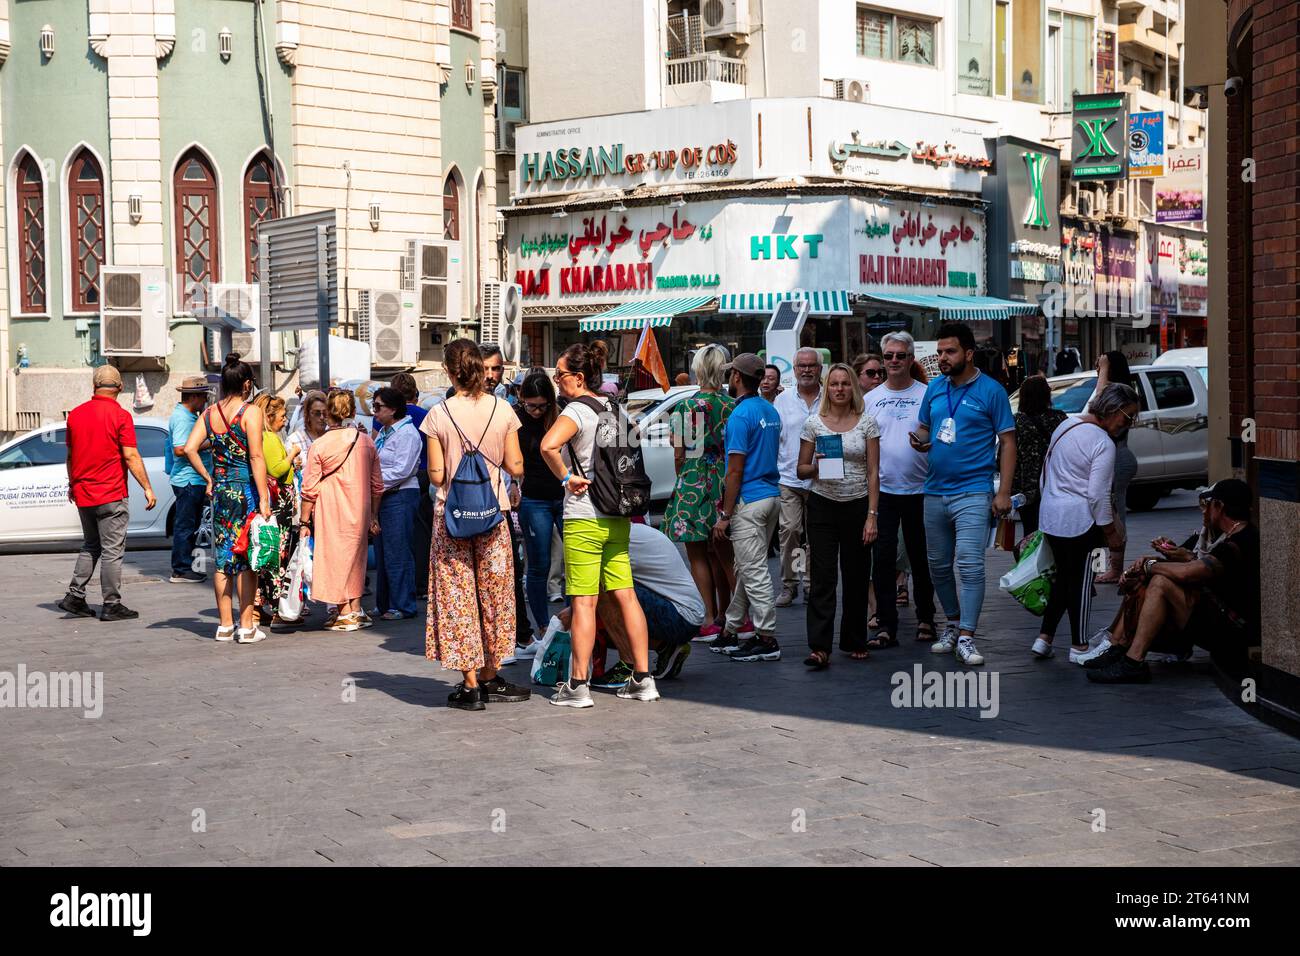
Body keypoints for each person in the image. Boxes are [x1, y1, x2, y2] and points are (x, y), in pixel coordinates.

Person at [541, 340, 660, 706]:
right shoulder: (615, 408)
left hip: (584, 517)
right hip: (618, 516)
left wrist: (566, 477)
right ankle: (643, 677)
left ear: (577, 377)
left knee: (584, 602)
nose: (557, 382)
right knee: (625, 595)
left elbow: (547, 446)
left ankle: (578, 686)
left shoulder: (576, 411)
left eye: (559, 375)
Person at [421, 340, 529, 710]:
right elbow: (516, 466)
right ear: (482, 370)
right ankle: (490, 673)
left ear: (450, 372)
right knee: (496, 595)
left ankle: (469, 685)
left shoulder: (437, 414)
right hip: (493, 516)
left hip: (450, 518)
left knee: (457, 598)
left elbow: (436, 475)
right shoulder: (503, 410)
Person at [909, 323, 1017, 666]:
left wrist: (1004, 493)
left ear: (968, 354)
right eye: (939, 352)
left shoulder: (992, 391)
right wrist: (921, 441)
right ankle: (952, 624)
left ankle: (968, 635)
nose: (942, 358)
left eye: (949, 351)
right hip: (933, 490)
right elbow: (927, 428)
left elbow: (1009, 442)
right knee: (938, 566)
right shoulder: (935, 388)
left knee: (969, 564)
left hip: (973, 491)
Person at [1087, 479, 1258, 684]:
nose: (1204, 512)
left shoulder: (1240, 541)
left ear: (1219, 507)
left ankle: (1133, 661)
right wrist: (1152, 564)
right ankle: (1119, 646)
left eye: (1209, 505)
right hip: (1217, 618)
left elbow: (1189, 573)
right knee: (1148, 579)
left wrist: (1150, 566)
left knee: (1160, 582)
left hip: (1233, 631)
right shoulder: (1227, 537)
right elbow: (1193, 566)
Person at [1029, 383, 1136, 661]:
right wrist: (1111, 531)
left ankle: (1044, 638)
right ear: (1113, 411)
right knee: (1081, 583)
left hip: (1051, 515)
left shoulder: (1064, 426)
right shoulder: (1103, 443)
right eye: (1128, 417)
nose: (1128, 425)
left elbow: (1045, 473)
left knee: (1064, 578)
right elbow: (1097, 494)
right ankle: (1079, 646)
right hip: (1080, 521)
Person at [795, 364, 880, 668]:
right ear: (827, 388)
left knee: (857, 577)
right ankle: (819, 647)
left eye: (845, 384)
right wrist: (816, 466)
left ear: (853, 388)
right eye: (834, 384)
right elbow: (800, 470)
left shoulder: (867, 423)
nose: (840, 389)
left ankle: (854, 639)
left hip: (858, 505)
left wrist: (872, 515)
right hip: (822, 505)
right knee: (823, 577)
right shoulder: (814, 424)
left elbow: (873, 472)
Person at [57, 364, 157, 621]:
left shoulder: (76, 415)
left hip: (83, 493)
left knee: (91, 545)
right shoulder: (121, 416)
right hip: (111, 494)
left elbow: (70, 456)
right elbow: (131, 455)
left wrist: (72, 484)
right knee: (112, 550)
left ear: (94, 386)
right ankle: (111, 604)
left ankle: (75, 596)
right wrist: (147, 487)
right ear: (120, 388)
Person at [182, 354, 272, 643]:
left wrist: (209, 478)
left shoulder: (210, 414)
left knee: (223, 559)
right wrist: (264, 497)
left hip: (220, 493)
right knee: (247, 556)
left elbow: (189, 448)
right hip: (245, 491)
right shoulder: (251, 412)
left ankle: (224, 625)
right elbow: (257, 456)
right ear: (247, 384)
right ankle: (246, 627)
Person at [865, 331, 936, 649]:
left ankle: (926, 618)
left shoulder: (928, 394)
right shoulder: (870, 399)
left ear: (911, 359)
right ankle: (885, 625)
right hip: (883, 493)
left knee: (922, 559)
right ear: (883, 360)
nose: (894, 361)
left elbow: (944, 437)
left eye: (900, 356)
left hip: (922, 490)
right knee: (881, 560)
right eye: (889, 356)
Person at [711, 352, 784, 662]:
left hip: (749, 501)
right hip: (770, 496)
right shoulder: (770, 410)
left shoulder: (740, 415)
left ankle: (767, 638)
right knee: (747, 567)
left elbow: (735, 471)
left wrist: (725, 515)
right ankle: (729, 630)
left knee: (753, 571)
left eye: (731, 374)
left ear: (737, 378)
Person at [576, 522, 706, 688]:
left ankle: (628, 666)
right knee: (598, 609)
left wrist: (573, 613)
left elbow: (591, 590)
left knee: (604, 588)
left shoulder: (620, 539)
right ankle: (665, 646)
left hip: (680, 617)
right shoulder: (631, 531)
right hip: (685, 616)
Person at [663, 344, 736, 638]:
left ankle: (707, 617)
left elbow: (680, 454)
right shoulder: (732, 406)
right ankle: (731, 613)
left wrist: (684, 473)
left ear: (697, 370)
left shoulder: (687, 407)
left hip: (693, 479)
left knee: (697, 556)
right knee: (724, 553)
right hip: (723, 479)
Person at [299, 389, 384, 633]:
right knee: (356, 559)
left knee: (334, 559)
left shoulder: (320, 444)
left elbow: (309, 489)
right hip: (361, 508)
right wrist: (374, 515)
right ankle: (354, 608)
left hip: (330, 508)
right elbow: (377, 485)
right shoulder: (366, 441)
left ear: (328, 414)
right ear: (353, 411)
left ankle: (343, 611)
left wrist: (304, 521)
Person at [481, 343, 533, 654]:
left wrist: (515, 482)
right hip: (468, 501)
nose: (491, 375)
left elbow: (513, 460)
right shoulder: (457, 404)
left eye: (496, 369)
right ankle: (495, 642)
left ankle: (520, 635)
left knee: (510, 568)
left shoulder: (506, 405)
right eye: (485, 368)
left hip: (500, 500)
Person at [514, 370, 566, 644]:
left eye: (541, 406)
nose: (535, 411)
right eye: (529, 405)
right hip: (533, 498)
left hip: (565, 495)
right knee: (538, 565)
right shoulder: (514, 417)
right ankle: (544, 626)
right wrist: (512, 483)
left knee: (575, 562)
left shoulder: (561, 415)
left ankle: (571, 621)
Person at [773, 347, 822, 606]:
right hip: (789, 478)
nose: (806, 370)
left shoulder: (829, 397)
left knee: (813, 535)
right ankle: (790, 583)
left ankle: (810, 583)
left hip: (821, 479)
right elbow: (776, 439)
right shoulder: (783, 401)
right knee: (791, 531)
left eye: (811, 365)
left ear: (820, 369)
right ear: (794, 370)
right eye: (801, 366)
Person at [370, 386, 423, 620]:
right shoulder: (384, 432)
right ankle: (385, 604)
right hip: (384, 496)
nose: (375, 411)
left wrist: (375, 481)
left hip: (400, 495)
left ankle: (403, 605)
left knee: (398, 551)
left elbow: (402, 470)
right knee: (383, 552)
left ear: (393, 409)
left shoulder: (407, 434)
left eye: (378, 407)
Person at [1089, 352, 1139, 582]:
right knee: (1107, 511)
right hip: (1118, 458)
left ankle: (1115, 569)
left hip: (1117, 460)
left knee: (1113, 513)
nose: (1097, 366)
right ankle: (1106, 567)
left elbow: (1095, 405)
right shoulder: (1119, 387)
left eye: (1099, 362)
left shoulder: (1115, 391)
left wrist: (1105, 367)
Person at [251, 393, 300, 628]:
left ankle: (259, 608)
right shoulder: (269, 438)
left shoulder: (265, 437)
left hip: (278, 504)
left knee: (269, 556)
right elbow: (277, 469)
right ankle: (276, 607)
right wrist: (292, 455)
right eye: (282, 415)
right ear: (270, 417)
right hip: (279, 508)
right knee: (277, 559)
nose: (285, 419)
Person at [165, 376, 212, 584]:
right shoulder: (183, 418)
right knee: (185, 526)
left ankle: (185, 566)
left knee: (189, 525)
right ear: (194, 396)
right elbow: (181, 449)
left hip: (192, 480)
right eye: (203, 397)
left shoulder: (189, 415)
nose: (205, 401)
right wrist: (208, 444)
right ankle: (181, 569)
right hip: (189, 480)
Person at [1012, 374, 1068, 538]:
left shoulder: (1017, 422)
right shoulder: (1059, 418)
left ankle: (1033, 562)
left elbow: (1007, 457)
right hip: (1056, 485)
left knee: (1031, 533)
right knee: (1057, 532)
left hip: (1028, 490)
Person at [288, 390, 327, 465]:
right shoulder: (294, 440)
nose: (322, 417)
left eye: (325, 413)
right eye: (317, 413)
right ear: (307, 414)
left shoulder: (333, 438)